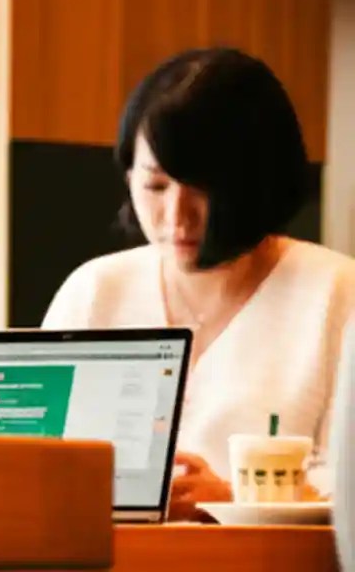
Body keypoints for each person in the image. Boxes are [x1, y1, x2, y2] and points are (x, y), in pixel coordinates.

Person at [42, 47, 355, 521]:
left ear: (261, 183)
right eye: (155, 186)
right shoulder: (95, 291)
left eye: (205, 188)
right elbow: (31, 463)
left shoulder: (336, 294)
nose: (176, 217)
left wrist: (237, 500)